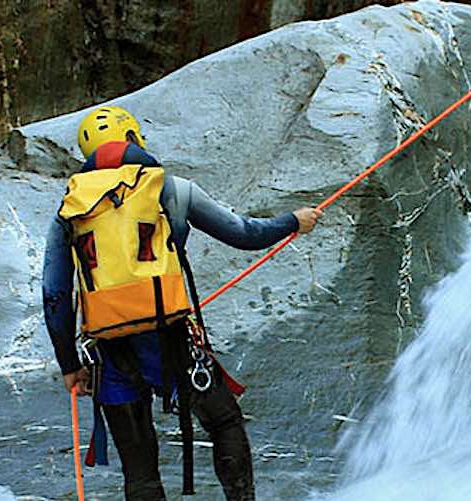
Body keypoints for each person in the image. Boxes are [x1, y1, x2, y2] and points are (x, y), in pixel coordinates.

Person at [41, 105, 322, 500]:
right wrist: (293, 221)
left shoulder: (69, 211)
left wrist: (70, 365)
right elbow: (244, 234)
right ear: (135, 139)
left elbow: (54, 297)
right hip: (170, 339)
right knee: (224, 423)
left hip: (110, 351)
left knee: (140, 472)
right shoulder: (172, 189)